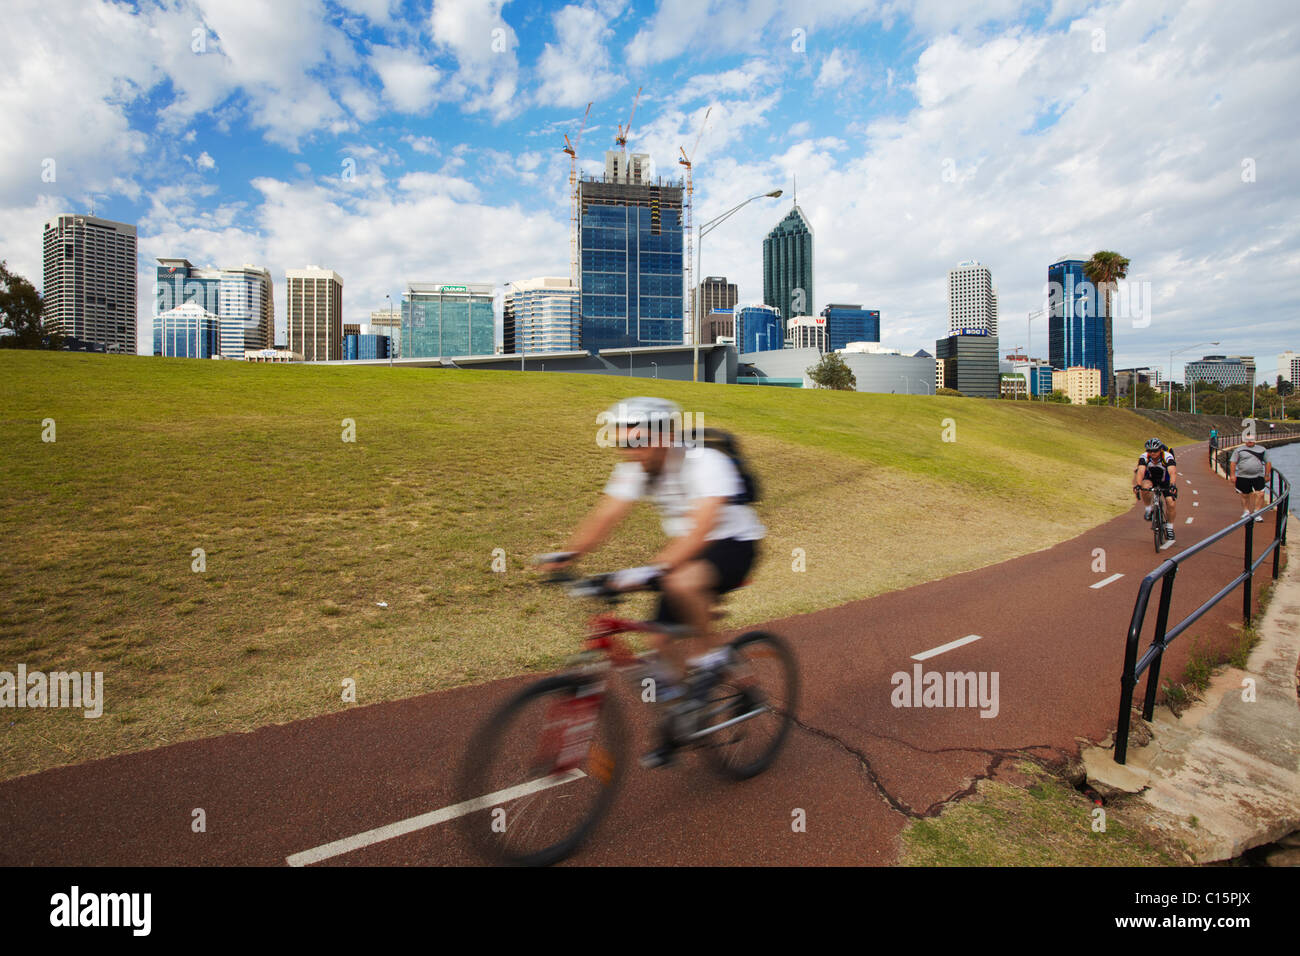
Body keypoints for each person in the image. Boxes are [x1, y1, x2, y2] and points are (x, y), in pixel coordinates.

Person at [540, 397, 765, 767]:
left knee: (680, 581)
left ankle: (712, 659)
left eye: (635, 441)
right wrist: (566, 556)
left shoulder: (705, 461)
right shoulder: (635, 469)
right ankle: (684, 720)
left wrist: (649, 570)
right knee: (660, 640)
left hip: (734, 543)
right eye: (620, 442)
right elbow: (606, 515)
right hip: (686, 550)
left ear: (663, 437)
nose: (628, 451)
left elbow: (703, 526)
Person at [1134, 437, 1178, 542]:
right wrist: (1138, 485)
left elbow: (1172, 472)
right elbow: (1140, 471)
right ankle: (1148, 509)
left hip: (1165, 481)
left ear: (1160, 449)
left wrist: (1172, 485)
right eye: (1149, 451)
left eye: (1155, 450)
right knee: (1144, 487)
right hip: (1150, 479)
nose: (1152, 453)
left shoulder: (1167, 456)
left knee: (1170, 503)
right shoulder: (1144, 457)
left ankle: (1169, 527)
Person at [1229, 435, 1272, 522]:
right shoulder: (1239, 450)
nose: (1250, 441)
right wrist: (1232, 475)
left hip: (1258, 475)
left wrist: (1267, 475)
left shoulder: (1262, 449)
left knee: (1261, 494)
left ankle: (1257, 513)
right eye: (1248, 440)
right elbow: (1233, 462)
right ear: (1245, 441)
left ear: (1255, 440)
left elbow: (1268, 462)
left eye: (1251, 440)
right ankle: (1246, 511)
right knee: (1244, 495)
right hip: (1242, 476)